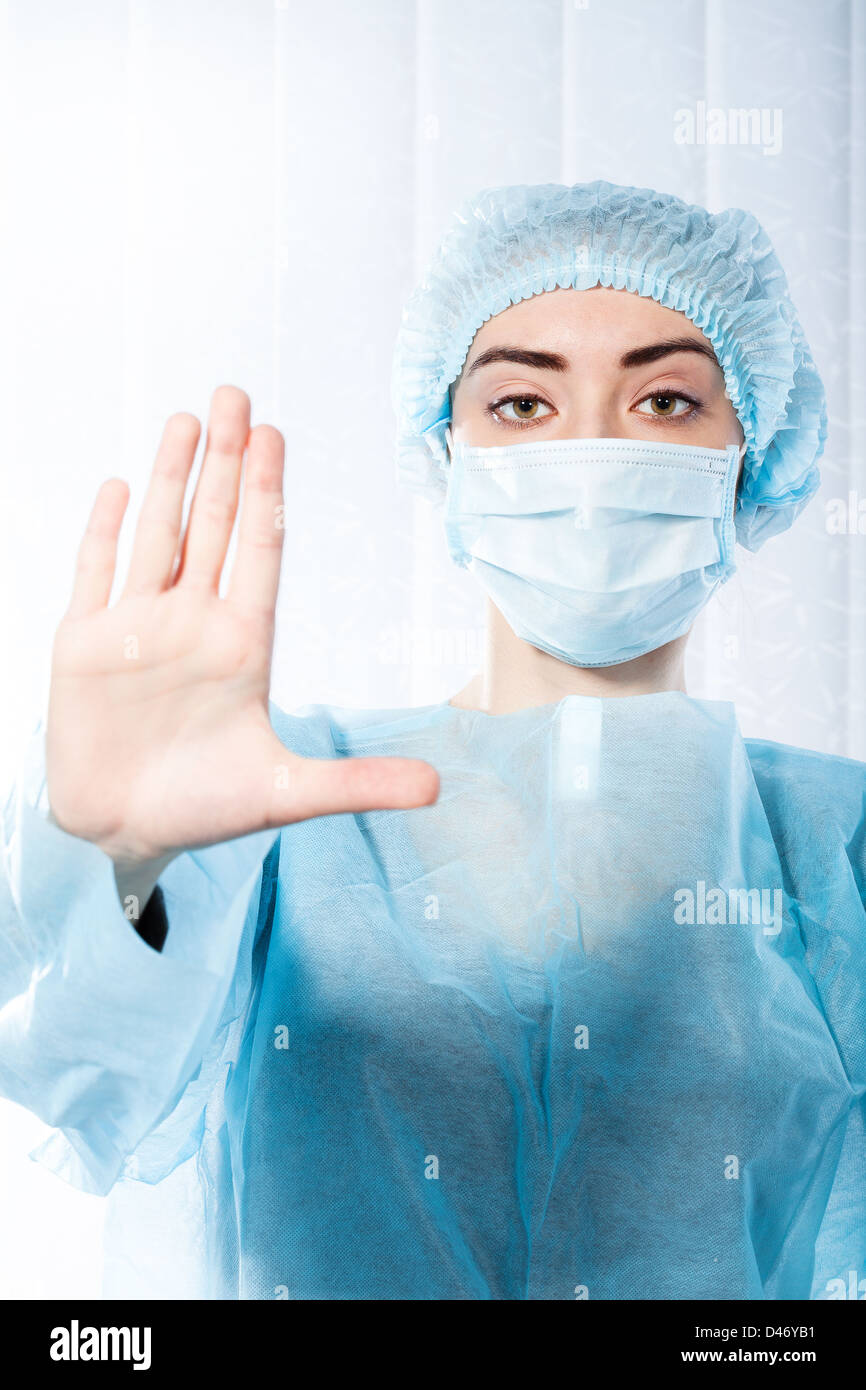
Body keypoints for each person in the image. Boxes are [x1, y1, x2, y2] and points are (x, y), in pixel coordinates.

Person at [1, 180, 864, 1301]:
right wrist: (128, 869)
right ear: (442, 449)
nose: (590, 451)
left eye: (661, 401)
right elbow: (91, 1081)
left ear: (753, 449)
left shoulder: (836, 839)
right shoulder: (275, 800)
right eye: (520, 404)